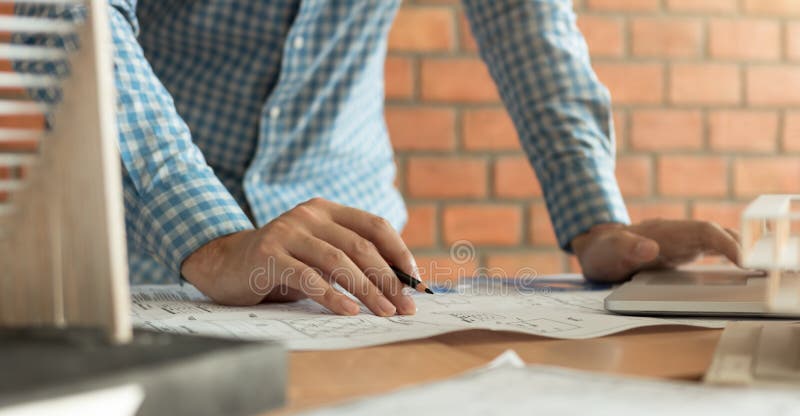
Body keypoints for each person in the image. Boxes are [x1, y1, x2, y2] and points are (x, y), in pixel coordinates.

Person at [107, 0, 739, 317]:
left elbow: (527, 20)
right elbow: (83, 14)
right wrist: (212, 241)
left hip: (353, 258)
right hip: (142, 243)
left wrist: (598, 221)